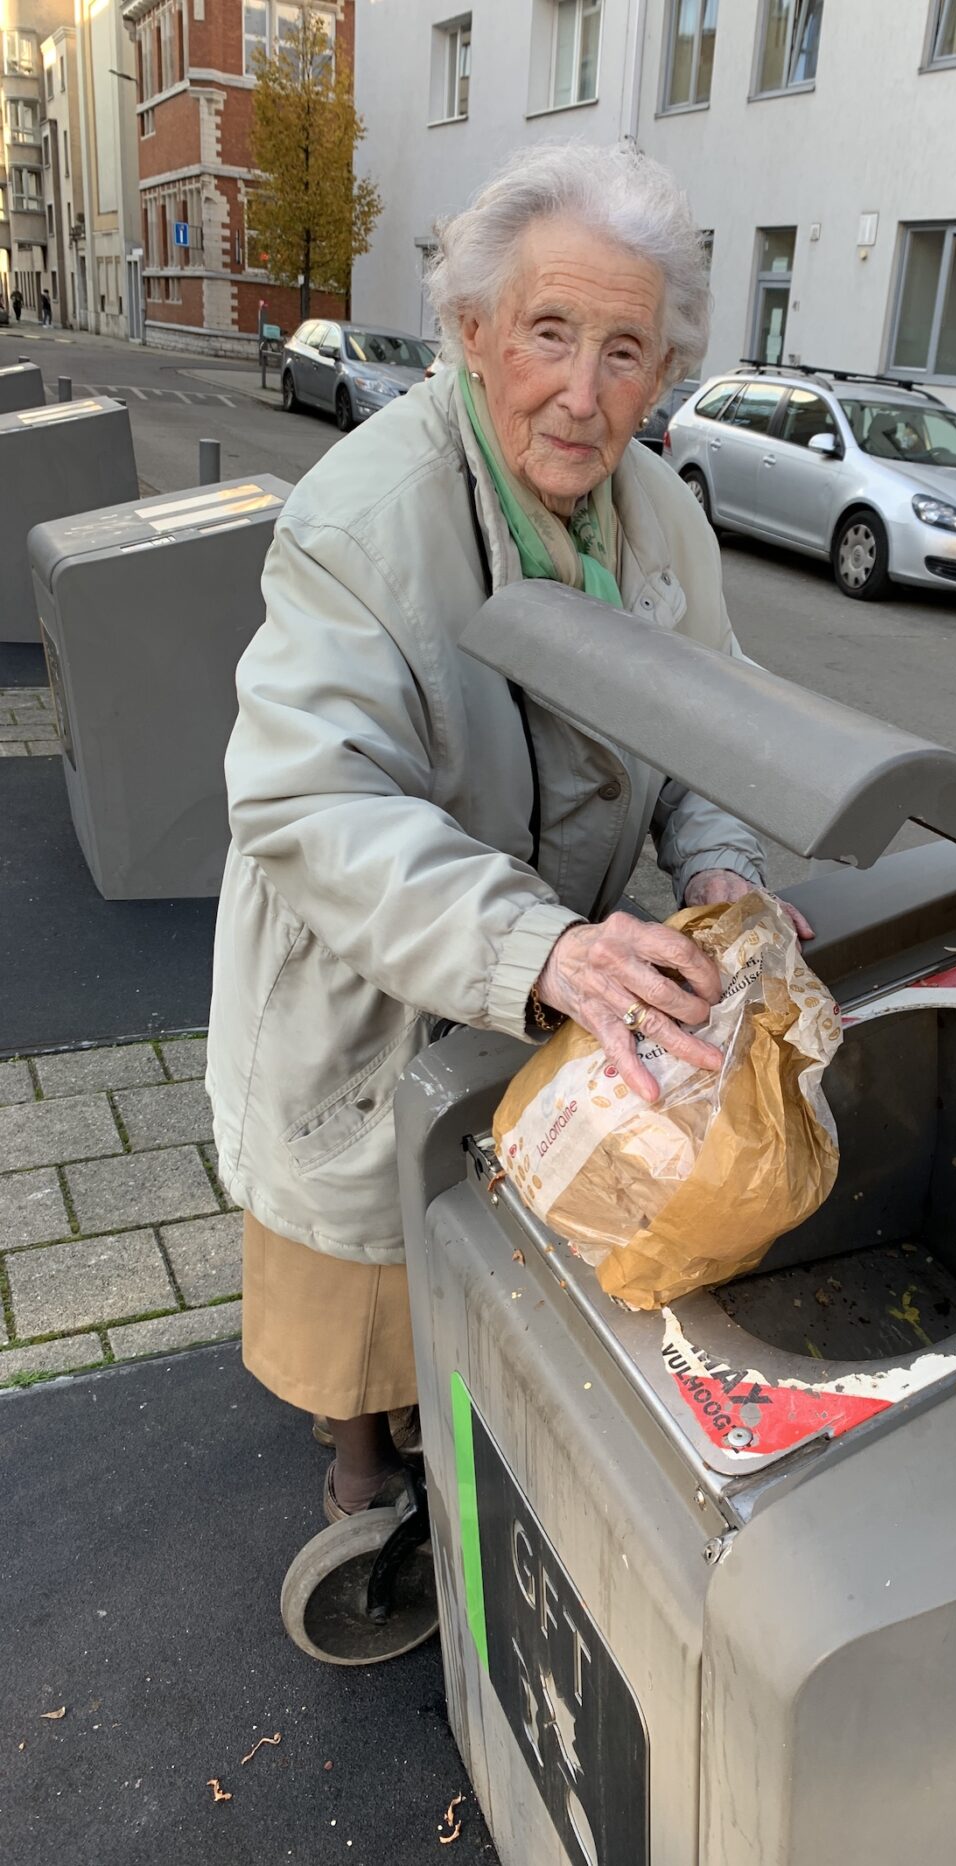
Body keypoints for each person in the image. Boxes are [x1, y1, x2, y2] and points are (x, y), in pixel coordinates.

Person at [208, 142, 811, 1528]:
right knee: (361, 1244)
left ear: (663, 373)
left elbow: (705, 712)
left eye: (625, 350)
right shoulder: (364, 517)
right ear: (473, 333)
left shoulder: (663, 514)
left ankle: (444, 1398)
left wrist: (723, 860)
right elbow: (310, 799)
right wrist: (543, 946)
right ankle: (360, 1468)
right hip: (376, 960)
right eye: (549, 333)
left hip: (547, 957)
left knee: (485, 1219)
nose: (582, 393)